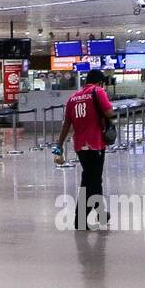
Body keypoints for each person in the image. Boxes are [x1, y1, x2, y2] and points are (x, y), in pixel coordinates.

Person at [53, 70, 116, 230]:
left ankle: (100, 214)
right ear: (99, 82)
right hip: (95, 144)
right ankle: (80, 219)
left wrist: (59, 145)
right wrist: (111, 115)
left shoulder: (73, 98)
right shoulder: (98, 91)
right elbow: (110, 113)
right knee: (91, 181)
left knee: (92, 179)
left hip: (80, 146)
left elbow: (66, 124)